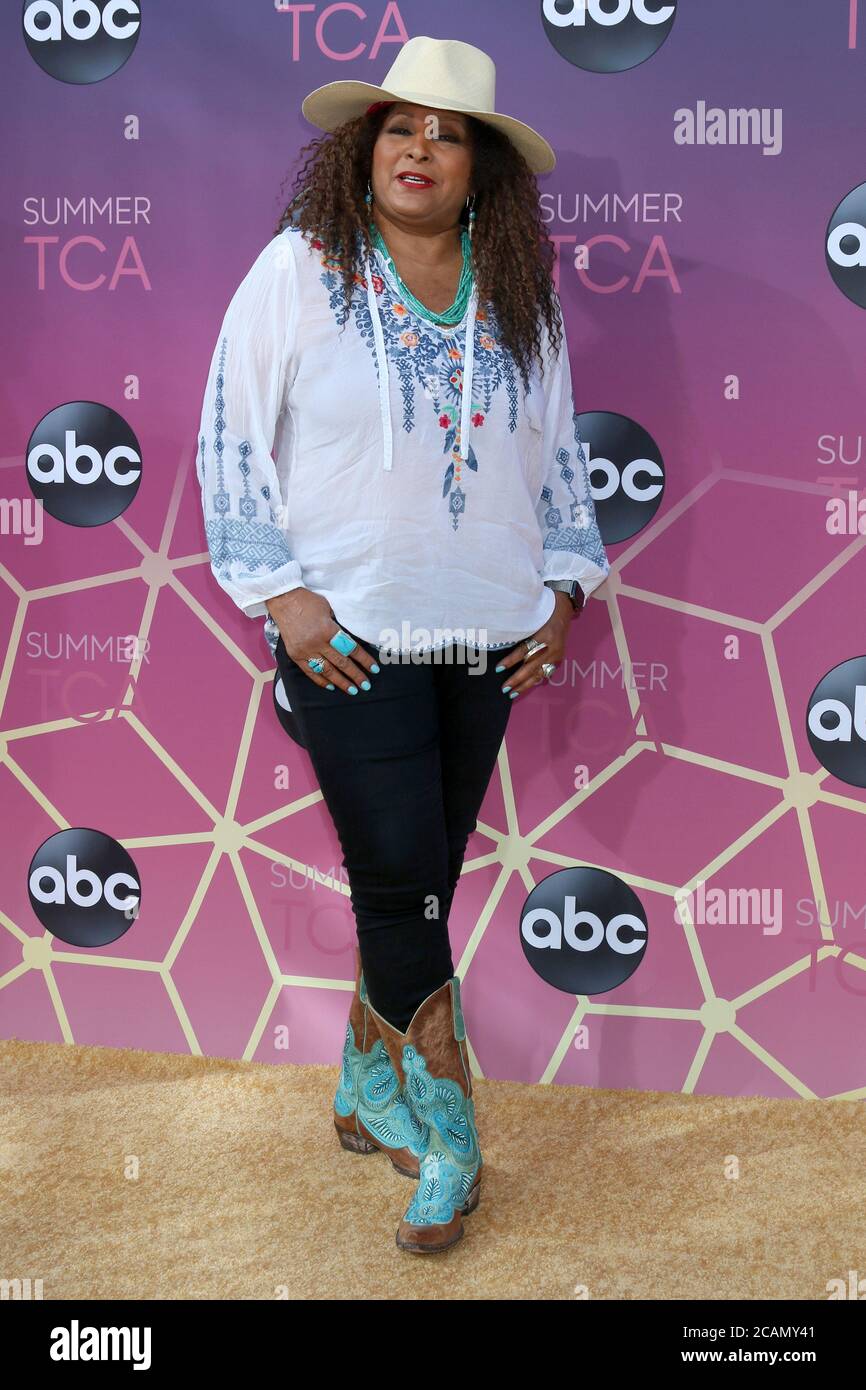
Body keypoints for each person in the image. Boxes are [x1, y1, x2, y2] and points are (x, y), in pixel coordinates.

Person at [196, 35, 610, 1254]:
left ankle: (364, 1089)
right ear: (360, 149)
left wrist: (565, 589)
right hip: (352, 638)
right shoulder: (300, 270)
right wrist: (282, 596)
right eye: (397, 126)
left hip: (484, 633)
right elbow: (230, 429)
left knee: (417, 879)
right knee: (400, 889)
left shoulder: (519, 288)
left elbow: (556, 458)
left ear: (481, 165)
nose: (417, 147)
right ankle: (450, 1138)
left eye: (446, 130)